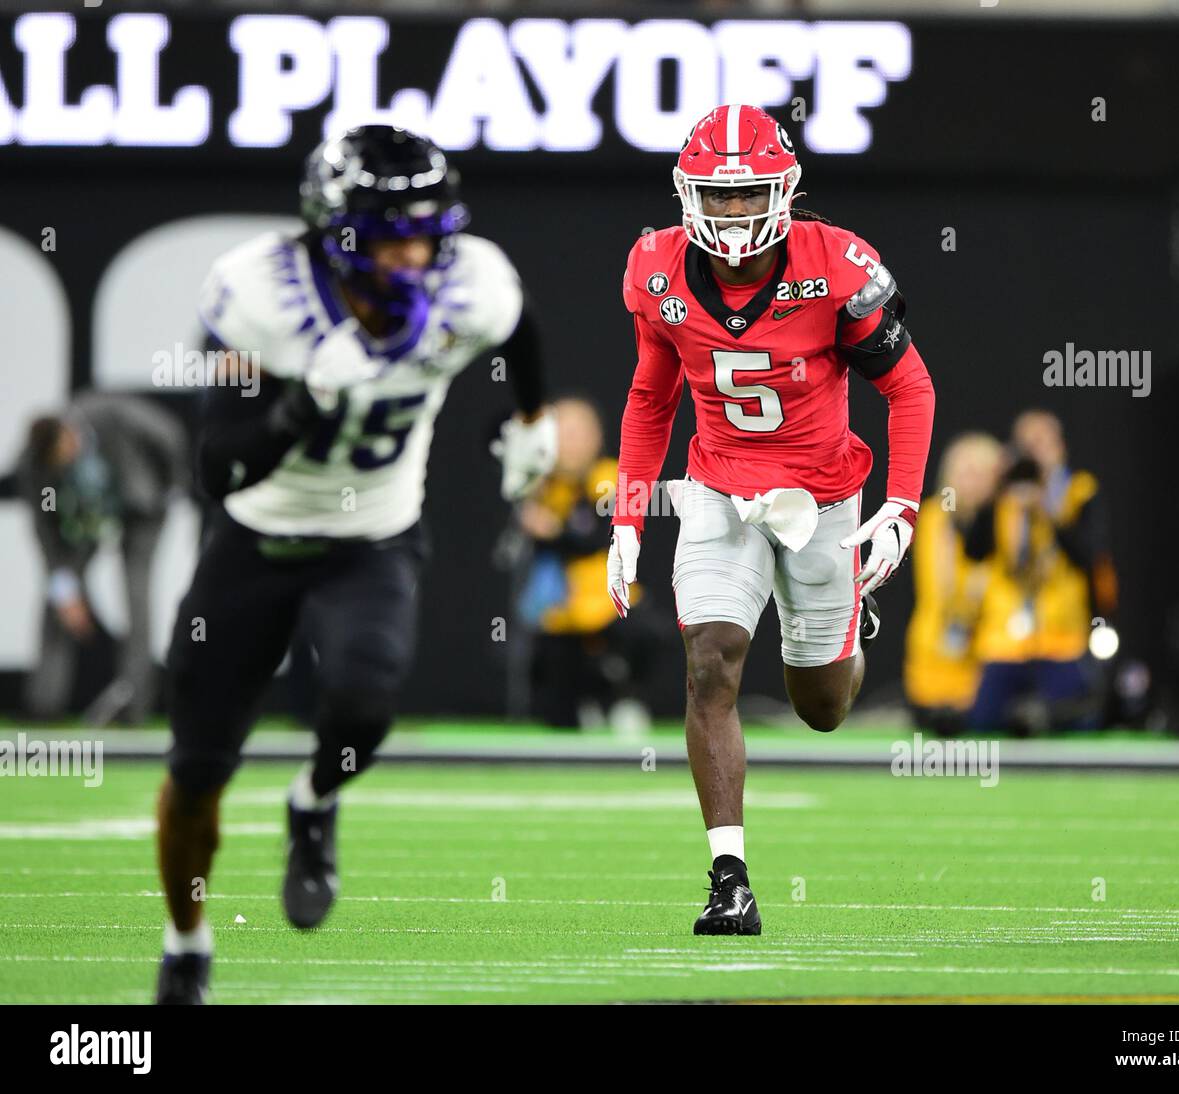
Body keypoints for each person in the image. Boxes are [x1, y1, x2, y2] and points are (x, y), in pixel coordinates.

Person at [154, 125, 556, 1004]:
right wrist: (301, 407)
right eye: (390, 234)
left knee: (366, 702)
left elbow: (519, 332)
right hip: (257, 537)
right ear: (334, 231)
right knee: (197, 768)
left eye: (427, 233)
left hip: (372, 532)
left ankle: (313, 801)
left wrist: (533, 423)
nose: (415, 256)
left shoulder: (470, 283)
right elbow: (214, 467)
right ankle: (186, 943)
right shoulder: (258, 293)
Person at [607, 105, 935, 935]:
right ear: (688, 198)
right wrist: (629, 517)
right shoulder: (657, 271)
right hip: (719, 486)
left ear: (783, 192)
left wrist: (900, 505)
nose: (731, 215)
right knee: (710, 662)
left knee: (821, 705)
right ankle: (729, 876)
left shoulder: (835, 266)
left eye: (748, 195)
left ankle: (846, 625)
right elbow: (653, 396)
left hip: (823, 494)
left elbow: (909, 388)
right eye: (716, 199)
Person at [18, 393, 189, 725]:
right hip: (83, 521)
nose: (63, 464)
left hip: (140, 509)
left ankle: (134, 706)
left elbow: (169, 433)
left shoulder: (111, 414)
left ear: (70, 433)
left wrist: (171, 485)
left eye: (63, 455)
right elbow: (45, 528)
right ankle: (43, 706)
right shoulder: (36, 464)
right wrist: (65, 589)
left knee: (135, 597)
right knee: (58, 601)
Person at [964, 411, 1116, 733]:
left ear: (1059, 447)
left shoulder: (1079, 491)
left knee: (1077, 722)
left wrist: (1047, 505)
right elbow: (973, 550)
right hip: (1006, 641)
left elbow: (1088, 555)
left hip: (1060, 639)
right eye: (1026, 445)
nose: (1033, 453)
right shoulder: (1003, 500)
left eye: (1041, 443)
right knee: (983, 722)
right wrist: (996, 488)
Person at [516, 397, 659, 731]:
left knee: (649, 635)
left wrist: (552, 530)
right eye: (563, 433)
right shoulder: (541, 484)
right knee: (557, 711)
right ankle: (581, 705)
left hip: (608, 605)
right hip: (556, 614)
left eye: (579, 433)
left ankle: (623, 697)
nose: (571, 443)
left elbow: (598, 534)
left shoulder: (610, 476)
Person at [903, 432, 1001, 736]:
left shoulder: (1005, 524)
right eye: (964, 473)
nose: (971, 483)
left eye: (981, 475)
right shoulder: (933, 518)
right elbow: (941, 593)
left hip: (988, 663)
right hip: (934, 661)